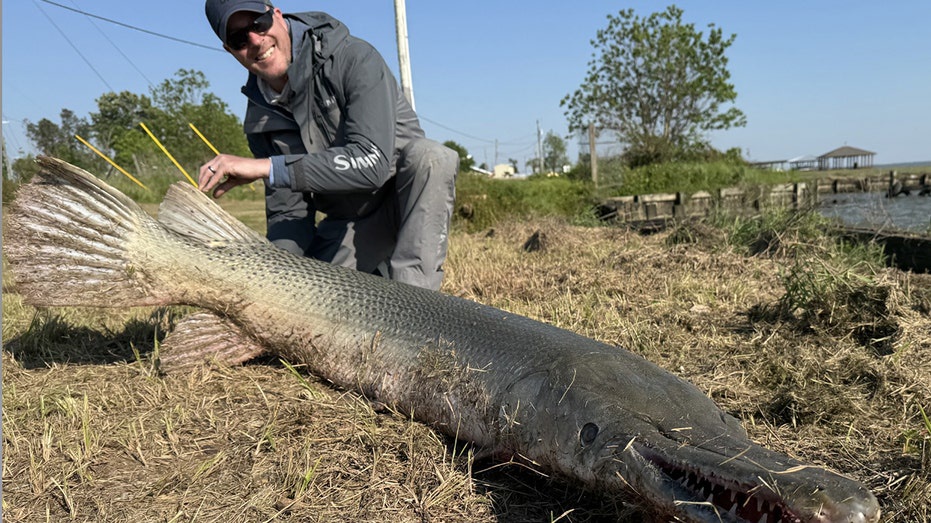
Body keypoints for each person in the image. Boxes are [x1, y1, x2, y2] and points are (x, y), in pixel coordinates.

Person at [200, 0, 458, 291]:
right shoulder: (259, 119)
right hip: (351, 223)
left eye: (259, 24)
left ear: (277, 16)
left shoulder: (354, 58)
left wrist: (268, 168)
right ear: (229, 50)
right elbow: (289, 213)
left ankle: (415, 300)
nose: (256, 41)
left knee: (431, 157)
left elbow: (371, 164)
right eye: (239, 38)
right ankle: (377, 275)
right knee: (307, 293)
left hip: (404, 204)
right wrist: (277, 278)